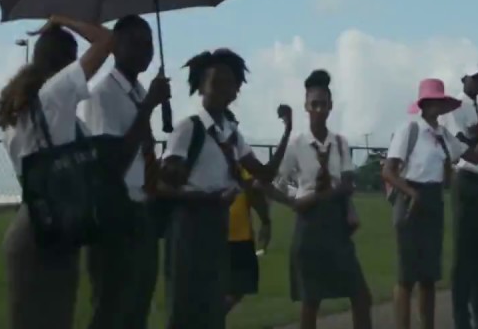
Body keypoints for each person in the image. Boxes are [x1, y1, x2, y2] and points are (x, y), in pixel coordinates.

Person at [0, 15, 125, 329]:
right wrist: (62, 18)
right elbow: (107, 41)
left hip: (38, 222)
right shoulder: (55, 94)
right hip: (54, 224)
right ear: (67, 61)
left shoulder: (24, 108)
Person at [157, 49, 292, 329]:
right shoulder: (188, 129)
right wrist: (203, 197)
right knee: (185, 307)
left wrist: (287, 131)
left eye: (230, 82)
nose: (224, 88)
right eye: (216, 81)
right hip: (188, 223)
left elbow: (264, 173)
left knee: (211, 306)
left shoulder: (230, 132)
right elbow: (161, 186)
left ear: (236, 90)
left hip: (217, 224)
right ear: (200, 86)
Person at [383, 78, 478, 329]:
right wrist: (411, 193)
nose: (437, 106)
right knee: (406, 278)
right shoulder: (411, 129)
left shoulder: (442, 135)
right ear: (424, 104)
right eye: (433, 102)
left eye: (440, 102)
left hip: (433, 200)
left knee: (428, 277)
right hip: (410, 200)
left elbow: (474, 155)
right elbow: (388, 171)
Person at [263, 69, 372, 329]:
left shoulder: (341, 143)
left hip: (335, 223)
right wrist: (294, 201)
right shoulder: (297, 144)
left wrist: (337, 199)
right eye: (314, 104)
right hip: (309, 222)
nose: (319, 109)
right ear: (306, 107)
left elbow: (347, 182)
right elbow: (269, 183)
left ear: (331, 106)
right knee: (311, 300)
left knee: (360, 295)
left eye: (324, 104)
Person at [79, 14, 164, 329]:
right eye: (136, 43)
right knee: (112, 310)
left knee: (138, 306)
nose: (145, 50)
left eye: (149, 44)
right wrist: (148, 109)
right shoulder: (104, 94)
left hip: (141, 211)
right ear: (115, 47)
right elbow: (111, 164)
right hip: (114, 216)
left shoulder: (138, 90)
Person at [441, 64, 478, 329]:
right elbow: (463, 140)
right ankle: (462, 319)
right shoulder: (455, 108)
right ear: (464, 79)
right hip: (466, 176)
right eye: (475, 79)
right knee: (464, 254)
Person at [224, 127, 270, 315]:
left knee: (235, 289)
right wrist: (266, 221)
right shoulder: (239, 167)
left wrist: (265, 221)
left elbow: (255, 192)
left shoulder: (241, 168)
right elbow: (256, 191)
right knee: (233, 290)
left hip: (236, 236)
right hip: (235, 237)